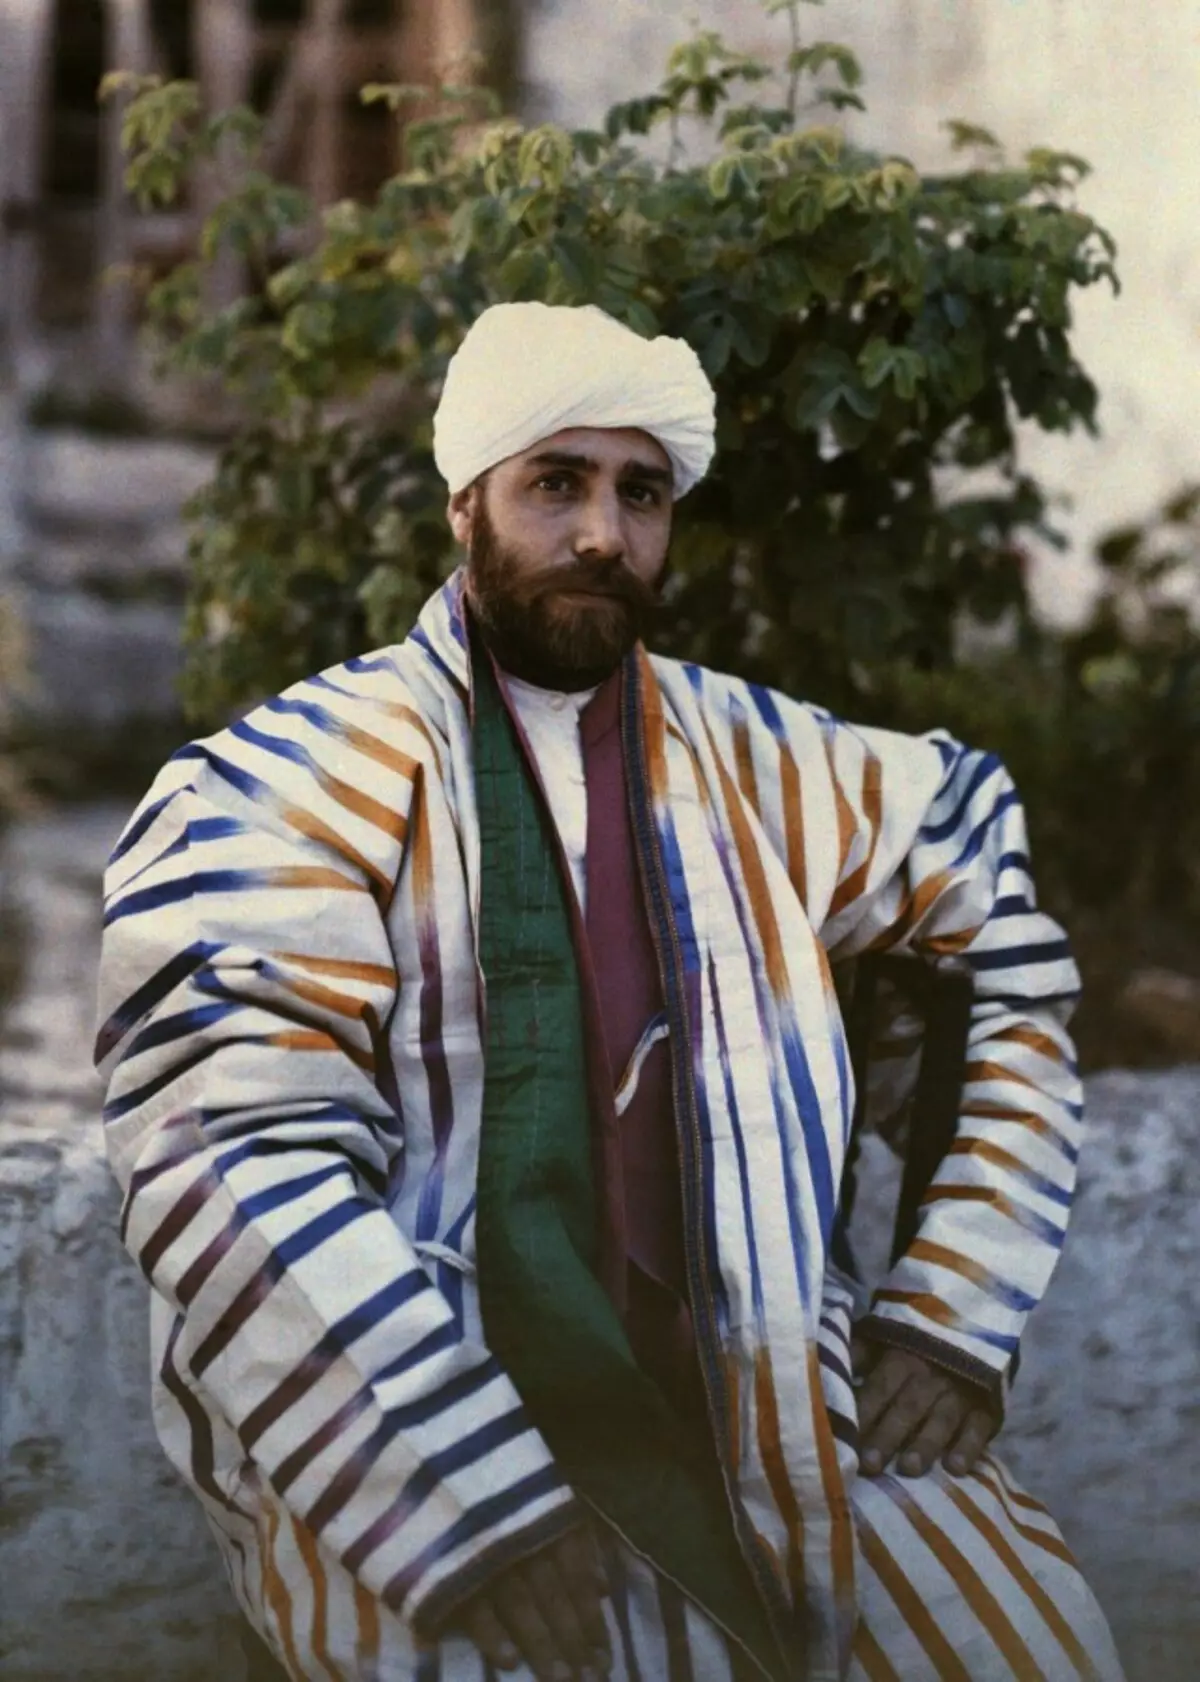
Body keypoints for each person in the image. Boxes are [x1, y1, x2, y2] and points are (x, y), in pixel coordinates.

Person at [96, 301, 1125, 1682]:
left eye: (641, 493)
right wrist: (472, 1505)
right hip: (418, 1416)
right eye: (556, 484)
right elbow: (227, 1154)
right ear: (466, 504)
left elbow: (985, 892)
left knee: (1025, 1639)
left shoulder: (759, 756)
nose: (601, 534)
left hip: (758, 1387)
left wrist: (950, 1310)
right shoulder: (284, 783)